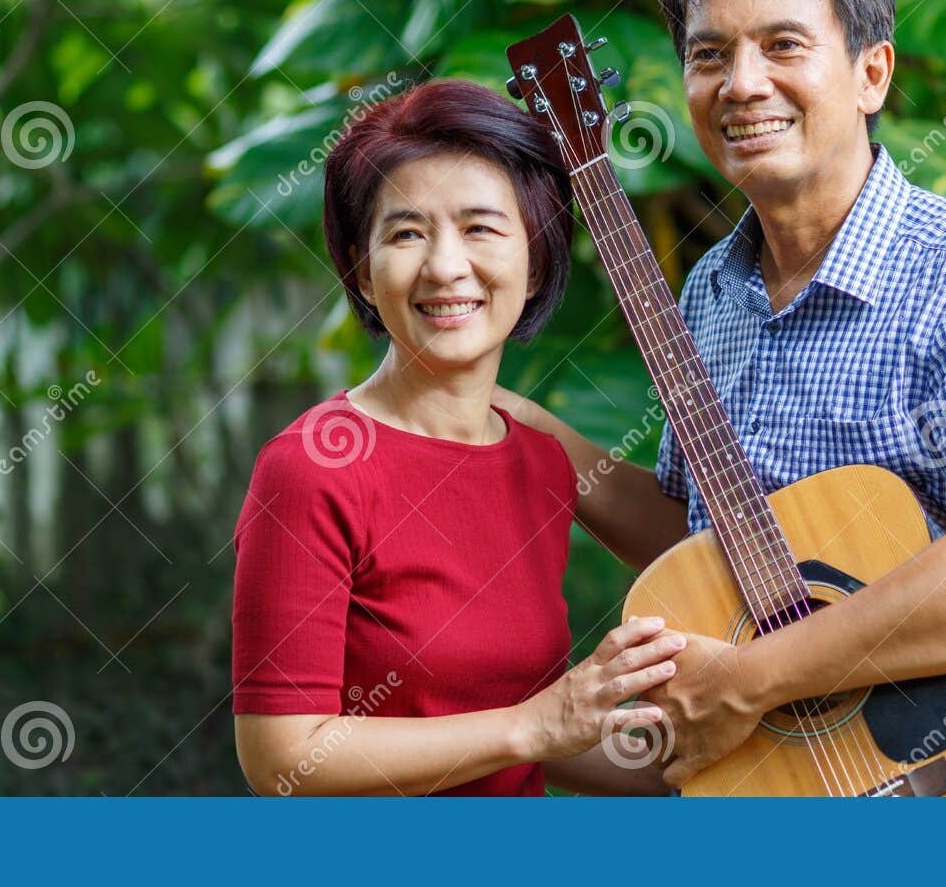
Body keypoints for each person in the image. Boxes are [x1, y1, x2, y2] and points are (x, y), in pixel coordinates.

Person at [496, 0, 946, 789]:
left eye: (783, 45)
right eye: (709, 55)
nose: (742, 83)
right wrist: (524, 428)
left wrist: (750, 678)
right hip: (785, 773)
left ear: (871, 74)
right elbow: (709, 538)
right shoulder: (711, 292)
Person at [231, 79, 685, 796]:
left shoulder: (538, 459)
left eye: (480, 229)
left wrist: (701, 767)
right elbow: (283, 758)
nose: (445, 266)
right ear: (361, 269)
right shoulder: (313, 467)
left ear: (536, 264)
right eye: (406, 233)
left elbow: (512, 732)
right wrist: (532, 727)